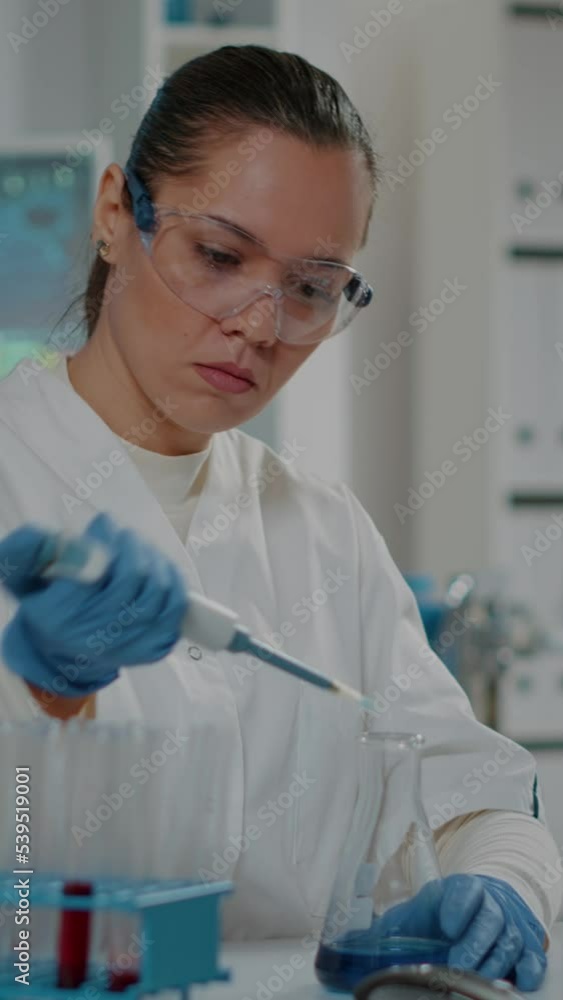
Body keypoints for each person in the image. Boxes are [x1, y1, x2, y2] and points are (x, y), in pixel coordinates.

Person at [0, 46, 560, 990]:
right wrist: (38, 698)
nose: (260, 326)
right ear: (112, 216)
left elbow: (476, 794)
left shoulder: (325, 530)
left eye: (309, 289)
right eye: (219, 256)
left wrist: (501, 886)